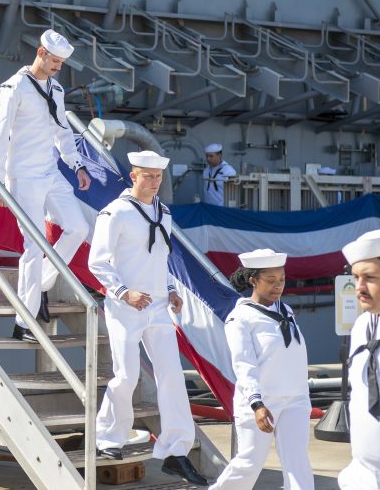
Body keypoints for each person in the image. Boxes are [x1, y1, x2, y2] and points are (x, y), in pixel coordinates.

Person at [89, 150, 207, 486]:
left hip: (157, 306)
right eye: (147, 176)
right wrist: (125, 292)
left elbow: (161, 257)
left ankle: (176, 451)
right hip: (126, 306)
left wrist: (170, 289)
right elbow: (98, 262)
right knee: (126, 375)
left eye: (158, 177)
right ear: (133, 176)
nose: (154, 182)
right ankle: (109, 438)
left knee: (171, 376)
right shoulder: (116, 213)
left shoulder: (164, 213)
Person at [0, 29, 91, 341]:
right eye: (54, 61)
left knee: (78, 228)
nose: (58, 66)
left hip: (50, 172)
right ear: (41, 53)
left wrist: (77, 165)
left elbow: (62, 132)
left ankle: (43, 283)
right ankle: (25, 322)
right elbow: (0, 135)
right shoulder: (15, 86)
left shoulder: (56, 90)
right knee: (33, 246)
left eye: (61, 62)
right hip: (23, 176)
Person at [209, 249, 314, 490]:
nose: (278, 286)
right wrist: (256, 404)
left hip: (295, 399)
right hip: (261, 401)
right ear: (253, 280)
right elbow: (243, 364)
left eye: (282, 279)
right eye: (270, 280)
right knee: (249, 463)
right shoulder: (240, 318)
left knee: (298, 463)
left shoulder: (285, 311)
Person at [338, 230, 380, 490]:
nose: (359, 287)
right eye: (355, 278)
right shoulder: (362, 325)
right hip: (362, 473)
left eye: (370, 278)